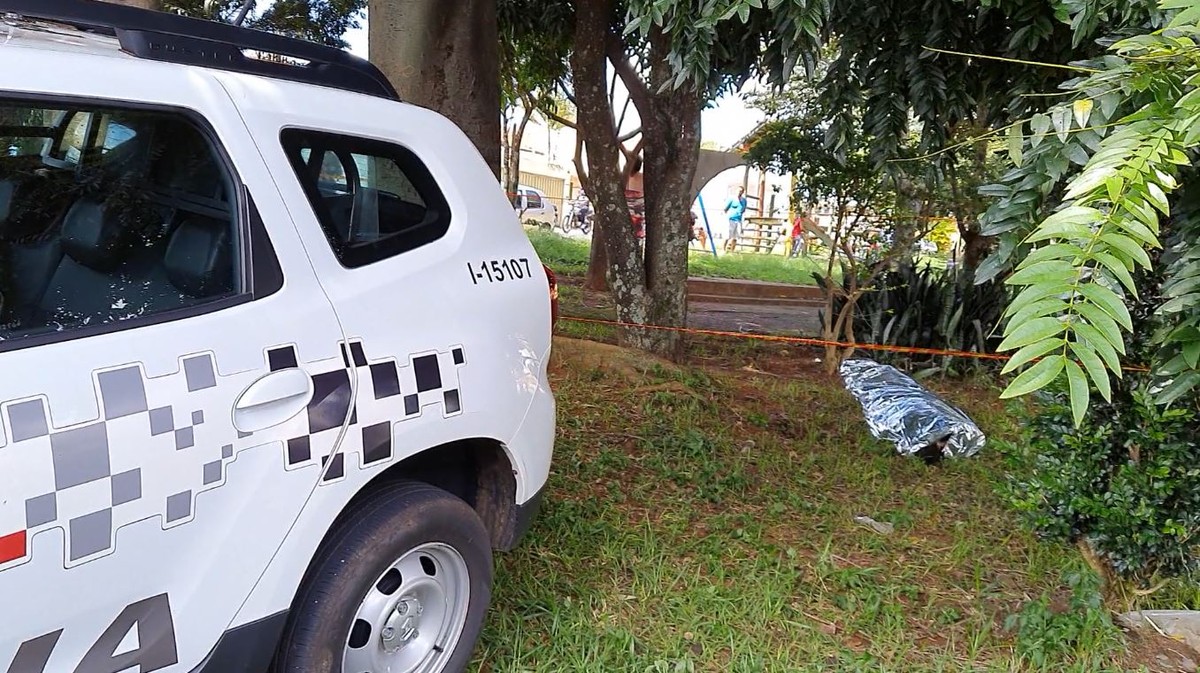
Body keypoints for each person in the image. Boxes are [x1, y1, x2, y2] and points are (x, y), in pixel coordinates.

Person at [723, 186, 747, 252]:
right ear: (736, 191)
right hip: (731, 219)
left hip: (738, 220)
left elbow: (743, 209)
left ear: (743, 192)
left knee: (736, 237)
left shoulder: (744, 200)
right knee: (728, 236)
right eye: (739, 191)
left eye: (741, 191)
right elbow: (725, 209)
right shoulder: (732, 199)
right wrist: (727, 217)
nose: (740, 192)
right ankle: (724, 250)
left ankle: (732, 251)